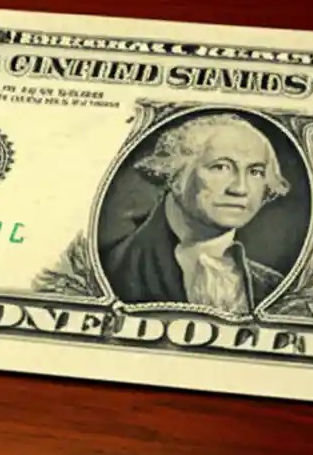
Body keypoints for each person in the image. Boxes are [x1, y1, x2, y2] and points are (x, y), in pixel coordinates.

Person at [101, 112, 291, 315]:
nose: (240, 188)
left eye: (255, 171)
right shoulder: (113, 269)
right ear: (175, 174)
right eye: (221, 167)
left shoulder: (275, 287)